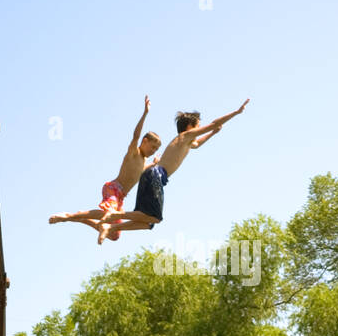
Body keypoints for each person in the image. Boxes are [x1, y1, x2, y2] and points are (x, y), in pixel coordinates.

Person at [98, 99, 249, 240]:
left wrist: (212, 133)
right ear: (190, 127)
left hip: (152, 176)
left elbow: (198, 144)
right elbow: (214, 123)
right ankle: (112, 217)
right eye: (198, 126)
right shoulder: (185, 136)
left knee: (148, 222)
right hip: (155, 175)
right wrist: (236, 112)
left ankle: (110, 228)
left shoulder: (187, 143)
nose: (199, 129)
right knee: (155, 217)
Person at [48, 96, 161, 242]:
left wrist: (154, 163)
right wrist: (145, 113)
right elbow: (136, 135)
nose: (153, 150)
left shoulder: (143, 161)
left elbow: (142, 169)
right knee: (109, 213)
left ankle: (91, 223)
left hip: (121, 196)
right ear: (144, 141)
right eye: (153, 147)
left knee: (115, 235)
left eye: (156, 149)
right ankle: (67, 216)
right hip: (113, 188)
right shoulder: (134, 152)